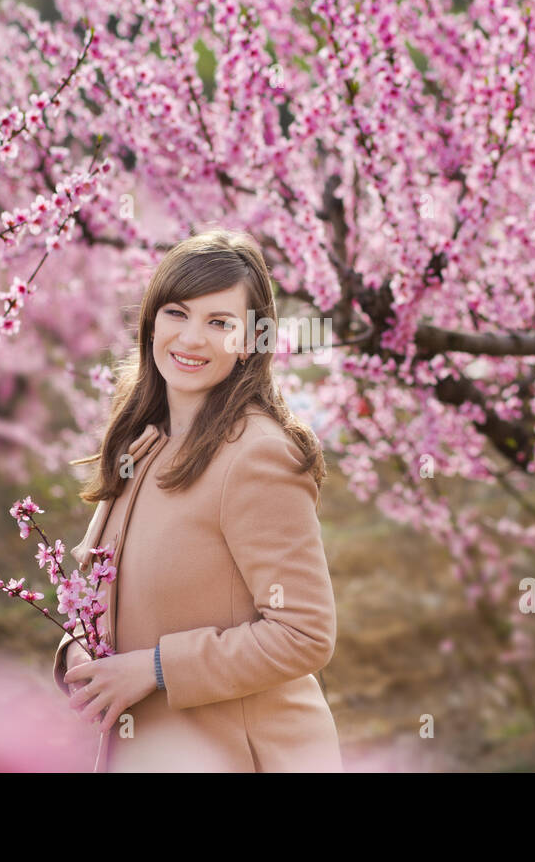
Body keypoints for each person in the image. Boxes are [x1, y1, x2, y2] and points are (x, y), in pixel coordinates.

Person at [53, 229, 343, 772]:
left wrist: (156, 669)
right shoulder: (145, 442)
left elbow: (305, 634)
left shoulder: (258, 458)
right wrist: (78, 650)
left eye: (219, 323)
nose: (190, 338)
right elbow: (107, 591)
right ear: (151, 321)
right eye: (177, 313)